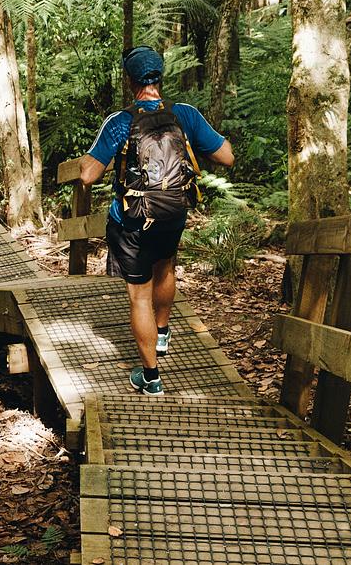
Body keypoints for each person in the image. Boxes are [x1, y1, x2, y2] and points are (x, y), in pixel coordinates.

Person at [78, 46, 234, 395]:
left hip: (132, 221)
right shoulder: (185, 115)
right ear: (160, 78)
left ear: (129, 81)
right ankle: (162, 333)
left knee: (139, 298)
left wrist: (88, 160)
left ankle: (150, 378)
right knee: (166, 266)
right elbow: (226, 155)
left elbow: (88, 175)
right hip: (173, 213)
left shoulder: (121, 121)